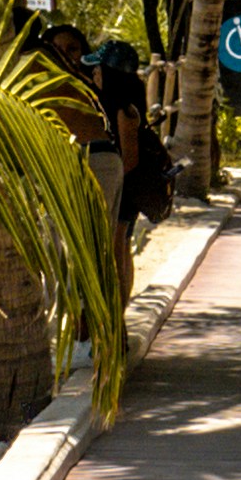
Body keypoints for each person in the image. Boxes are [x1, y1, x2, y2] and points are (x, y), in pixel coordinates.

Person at [91, 32, 174, 293]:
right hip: (123, 187)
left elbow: (129, 160)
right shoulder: (124, 107)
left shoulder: (123, 112)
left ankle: (119, 310)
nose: (94, 75)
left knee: (118, 250)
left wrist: (107, 179)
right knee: (122, 248)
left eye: (98, 69)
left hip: (123, 190)